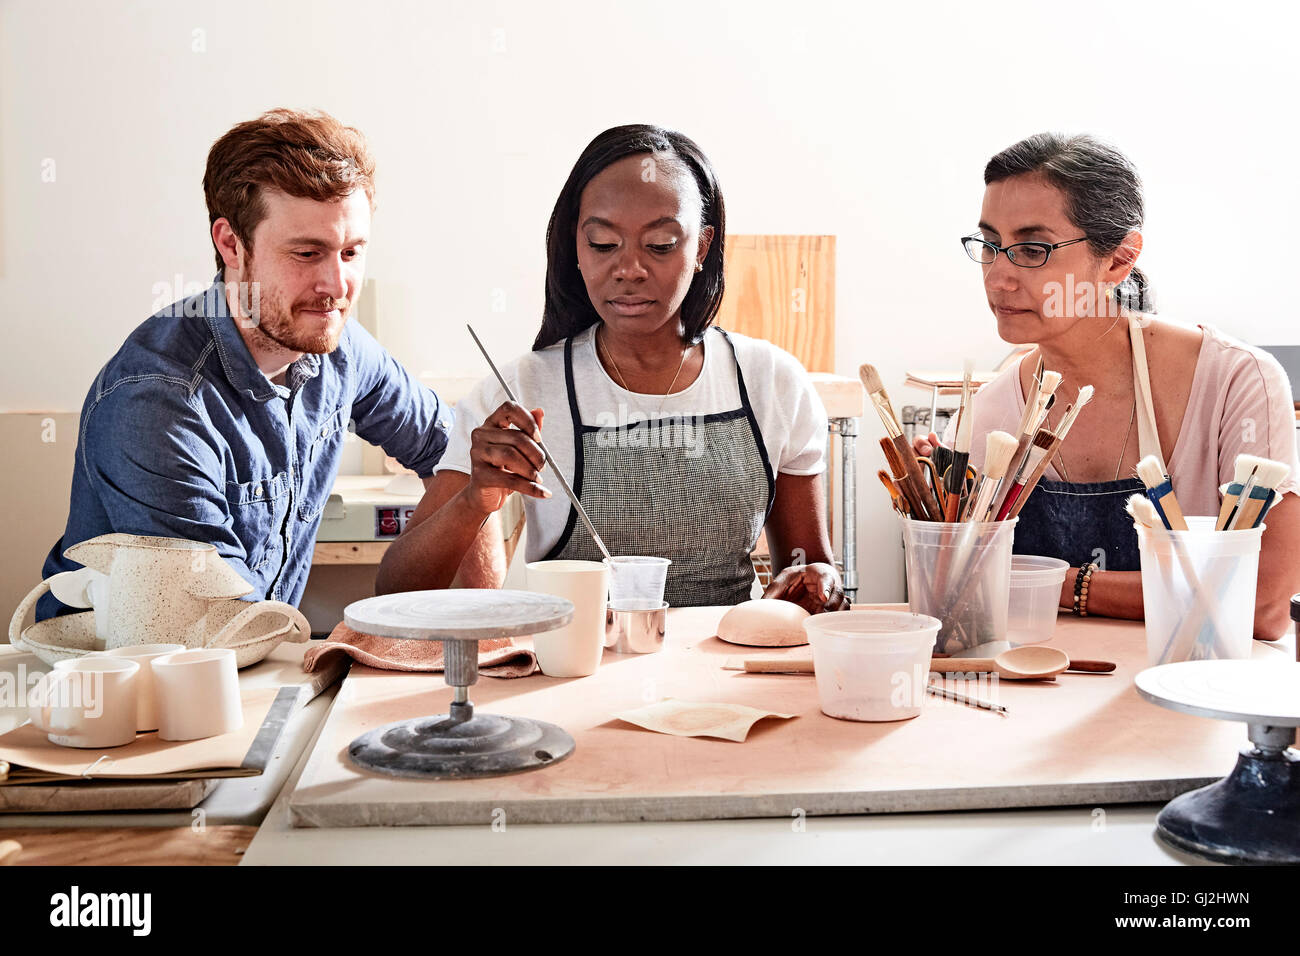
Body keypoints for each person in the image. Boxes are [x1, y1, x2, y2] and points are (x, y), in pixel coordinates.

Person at [376, 124, 845, 612]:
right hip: (572, 675)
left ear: (702, 247)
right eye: (603, 244)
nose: (630, 269)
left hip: (724, 671)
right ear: (575, 249)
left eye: (660, 244)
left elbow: (810, 567)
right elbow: (395, 592)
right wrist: (477, 498)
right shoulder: (520, 390)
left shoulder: (772, 382)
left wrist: (817, 581)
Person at [38, 109, 452, 620]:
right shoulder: (157, 401)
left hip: (246, 668)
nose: (336, 286)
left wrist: (478, 635)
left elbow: (457, 455)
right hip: (123, 686)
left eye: (351, 252)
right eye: (307, 253)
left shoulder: (343, 350)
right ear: (231, 244)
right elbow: (221, 618)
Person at [917, 132, 1300, 638]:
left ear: (1119, 260)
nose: (997, 277)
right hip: (1038, 690)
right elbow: (965, 599)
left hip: (1187, 696)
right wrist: (937, 527)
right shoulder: (994, 411)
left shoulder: (1235, 380)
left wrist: (1059, 585)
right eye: (990, 245)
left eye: (1032, 249)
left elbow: (1261, 603)